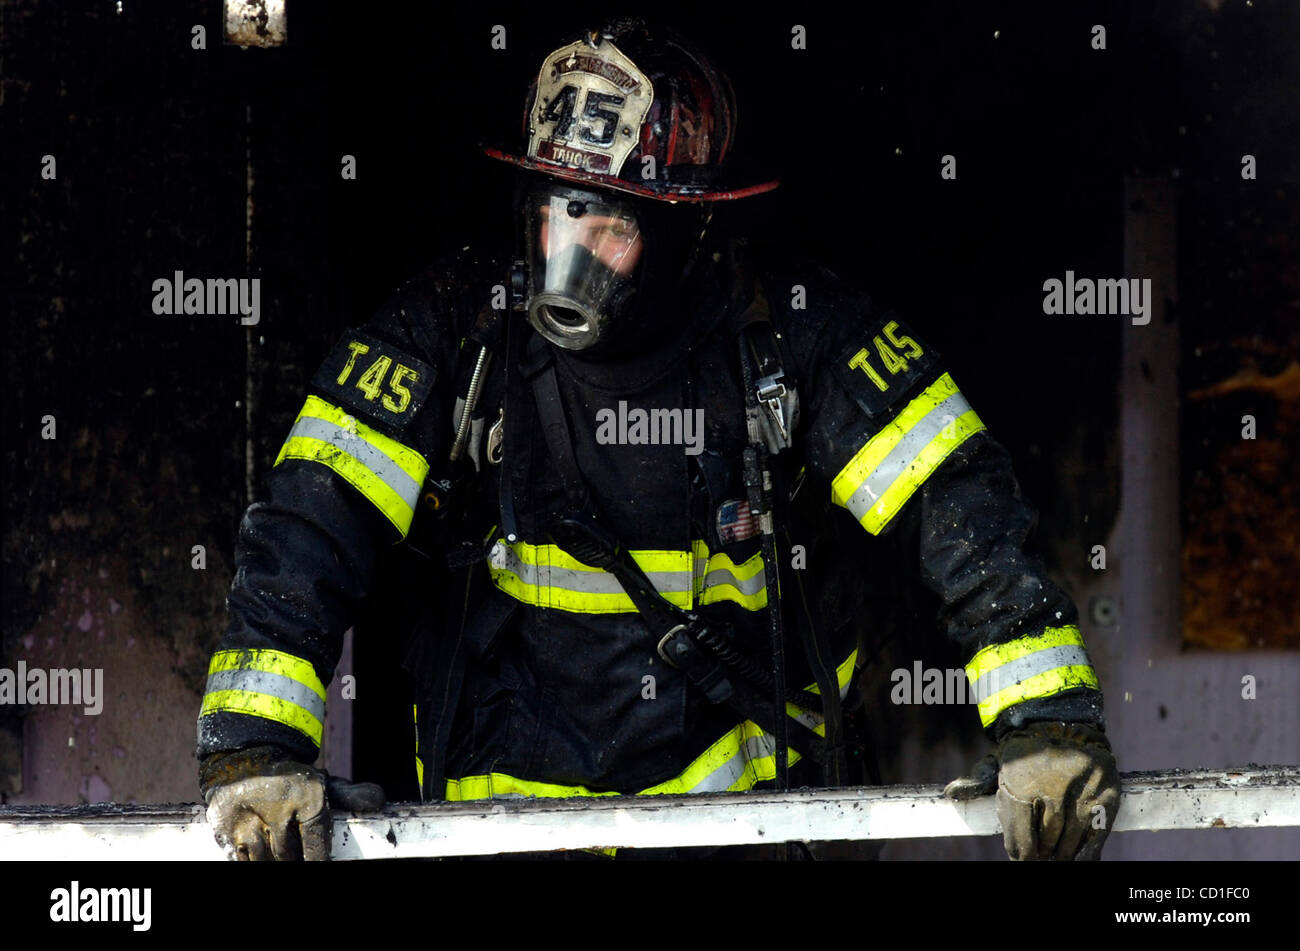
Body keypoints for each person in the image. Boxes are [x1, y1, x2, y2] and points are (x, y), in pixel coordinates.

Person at [197, 18, 1119, 861]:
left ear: (693, 226)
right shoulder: (454, 332)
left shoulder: (789, 337)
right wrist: (256, 745)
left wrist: (1046, 720)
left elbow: (956, 497)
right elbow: (310, 518)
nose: (573, 250)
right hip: (504, 838)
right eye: (556, 212)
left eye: (612, 223)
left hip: (750, 835)